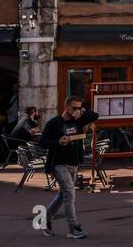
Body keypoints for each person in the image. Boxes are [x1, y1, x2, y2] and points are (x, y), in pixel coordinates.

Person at [37, 95, 99, 239]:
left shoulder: (78, 120)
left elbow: (95, 116)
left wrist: (83, 111)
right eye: (74, 108)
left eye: (79, 108)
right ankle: (73, 227)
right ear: (66, 107)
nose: (76, 110)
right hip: (58, 163)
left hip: (74, 162)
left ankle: (45, 219)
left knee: (62, 194)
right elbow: (42, 142)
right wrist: (58, 142)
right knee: (70, 193)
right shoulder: (54, 123)